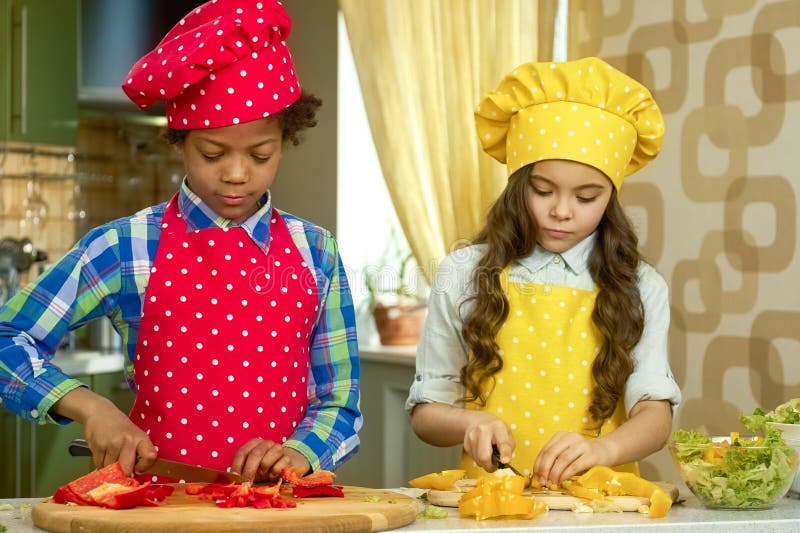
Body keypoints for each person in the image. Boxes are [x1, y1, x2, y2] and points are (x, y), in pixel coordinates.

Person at [0, 0, 361, 484]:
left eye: (260, 154)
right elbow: (8, 338)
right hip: (156, 505)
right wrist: (88, 404)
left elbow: (339, 401)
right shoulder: (124, 245)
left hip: (280, 512)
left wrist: (301, 451)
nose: (236, 175)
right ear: (179, 140)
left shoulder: (316, 252)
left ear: (285, 138)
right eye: (212, 153)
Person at [406, 57, 681, 487]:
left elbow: (655, 416)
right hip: (489, 501)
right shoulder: (463, 273)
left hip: (601, 507)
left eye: (587, 197)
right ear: (518, 186)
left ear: (611, 197)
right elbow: (425, 412)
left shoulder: (642, 286)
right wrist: (470, 423)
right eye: (543, 190)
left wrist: (602, 449)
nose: (561, 211)